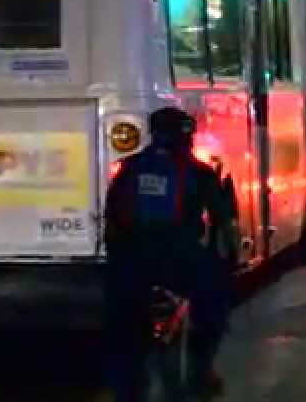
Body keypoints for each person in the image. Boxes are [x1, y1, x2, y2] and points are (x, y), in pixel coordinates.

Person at [104, 106, 234, 401]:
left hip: (132, 260)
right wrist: (228, 259)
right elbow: (223, 222)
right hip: (179, 259)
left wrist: (118, 257)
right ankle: (200, 373)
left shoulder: (129, 168)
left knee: (119, 322)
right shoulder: (200, 172)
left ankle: (124, 387)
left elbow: (111, 221)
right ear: (186, 137)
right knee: (214, 308)